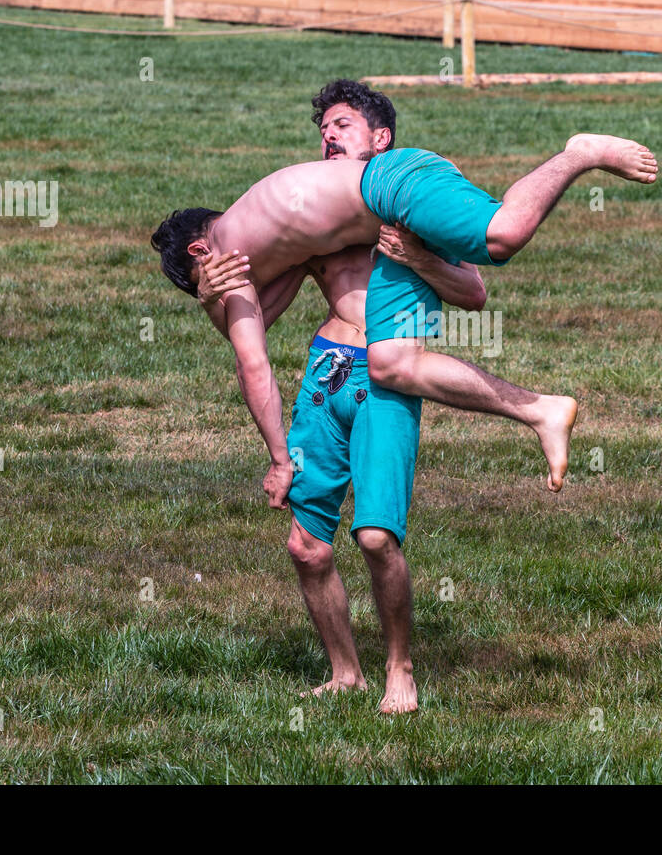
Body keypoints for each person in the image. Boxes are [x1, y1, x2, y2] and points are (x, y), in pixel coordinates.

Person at [151, 131, 657, 504]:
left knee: (503, 234)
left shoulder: (229, 256)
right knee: (392, 364)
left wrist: (281, 461)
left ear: (201, 249)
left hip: (394, 182)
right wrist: (211, 304)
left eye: (205, 284)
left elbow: (252, 363)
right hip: (391, 210)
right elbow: (256, 322)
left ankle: (580, 153)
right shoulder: (266, 238)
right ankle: (541, 410)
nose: (220, 294)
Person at [193, 81, 486, 713]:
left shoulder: (403, 204)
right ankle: (345, 671)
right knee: (306, 546)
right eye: (323, 127)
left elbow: (475, 293)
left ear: (381, 139)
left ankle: (399, 667)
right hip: (327, 373)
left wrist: (419, 259)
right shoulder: (313, 225)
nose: (329, 135)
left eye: (343, 125)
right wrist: (212, 291)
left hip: (386, 376)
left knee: (378, 539)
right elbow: (253, 326)